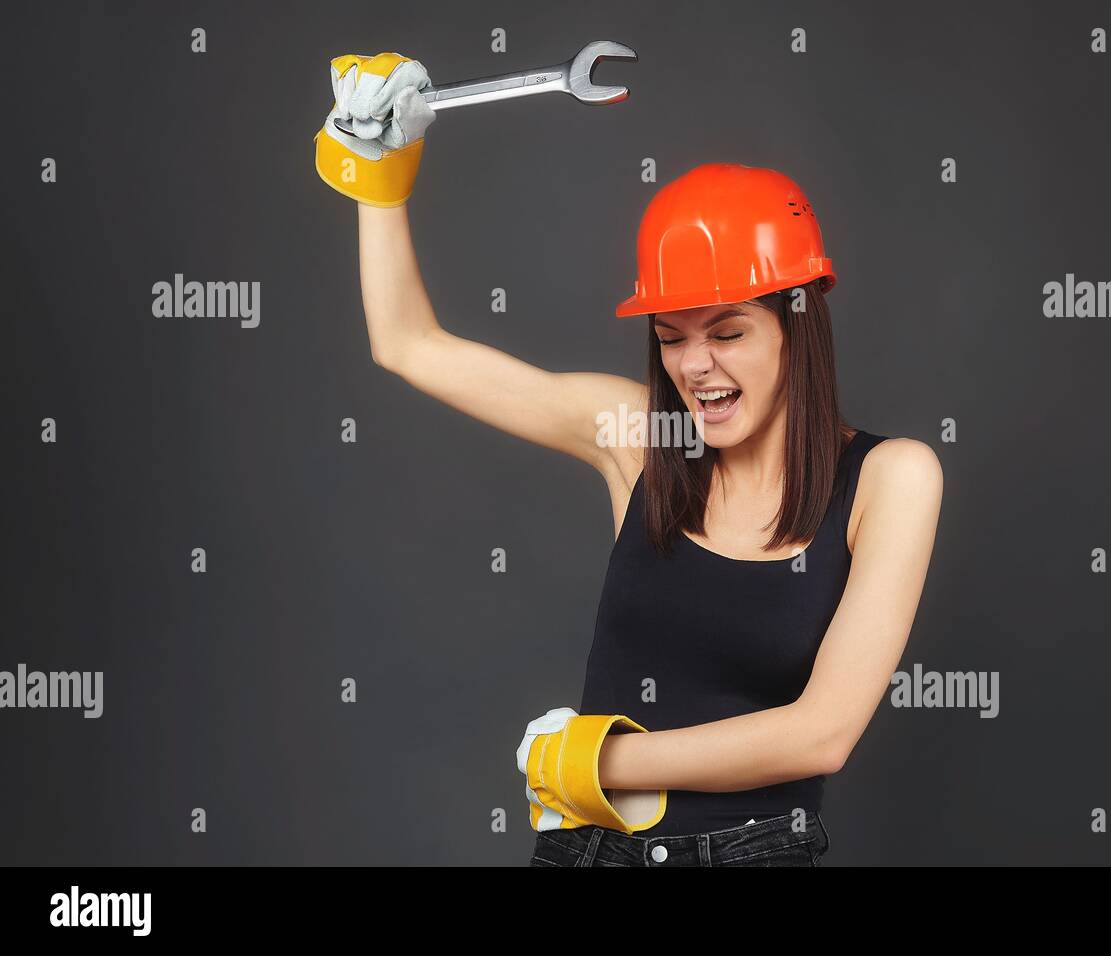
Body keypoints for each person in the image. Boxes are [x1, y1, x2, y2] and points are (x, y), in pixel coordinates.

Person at [314, 52, 943, 867]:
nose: (695, 368)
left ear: (798, 324)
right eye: (671, 337)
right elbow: (409, 345)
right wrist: (378, 172)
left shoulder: (891, 479)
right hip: (585, 856)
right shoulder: (638, 439)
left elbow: (821, 734)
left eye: (727, 332)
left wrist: (590, 763)